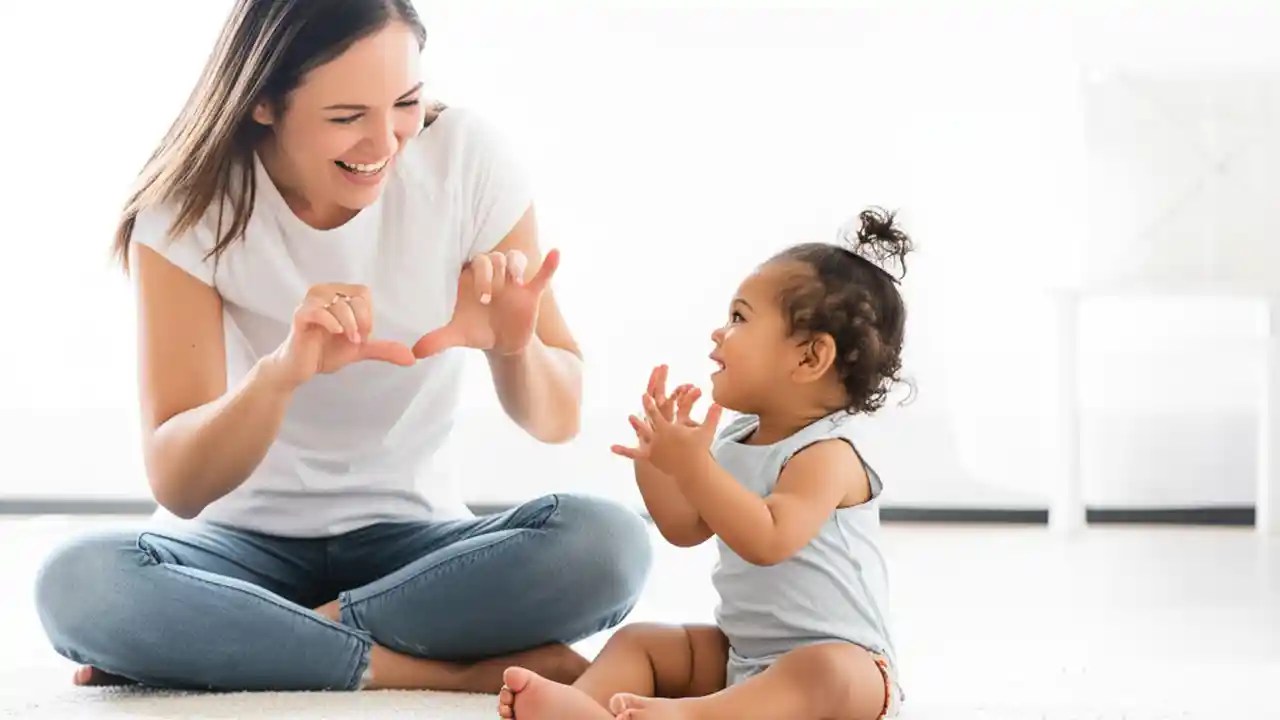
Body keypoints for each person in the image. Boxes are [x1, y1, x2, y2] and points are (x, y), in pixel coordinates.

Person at [33, 0, 651, 694]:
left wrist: (513, 350)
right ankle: (423, 669)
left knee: (608, 544)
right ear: (263, 101)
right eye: (346, 117)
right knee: (79, 584)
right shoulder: (190, 201)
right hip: (232, 547)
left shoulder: (466, 161)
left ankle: (261, 639)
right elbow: (179, 484)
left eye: (406, 104)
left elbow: (558, 418)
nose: (385, 142)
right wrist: (279, 378)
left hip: (417, 552)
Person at [497, 208, 912, 719]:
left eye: (739, 318)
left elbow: (768, 538)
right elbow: (684, 526)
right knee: (641, 642)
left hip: (847, 674)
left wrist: (694, 468)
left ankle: (696, 715)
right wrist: (659, 462)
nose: (719, 333)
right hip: (742, 654)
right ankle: (583, 708)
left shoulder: (829, 455)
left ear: (808, 358)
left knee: (824, 670)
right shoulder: (737, 439)